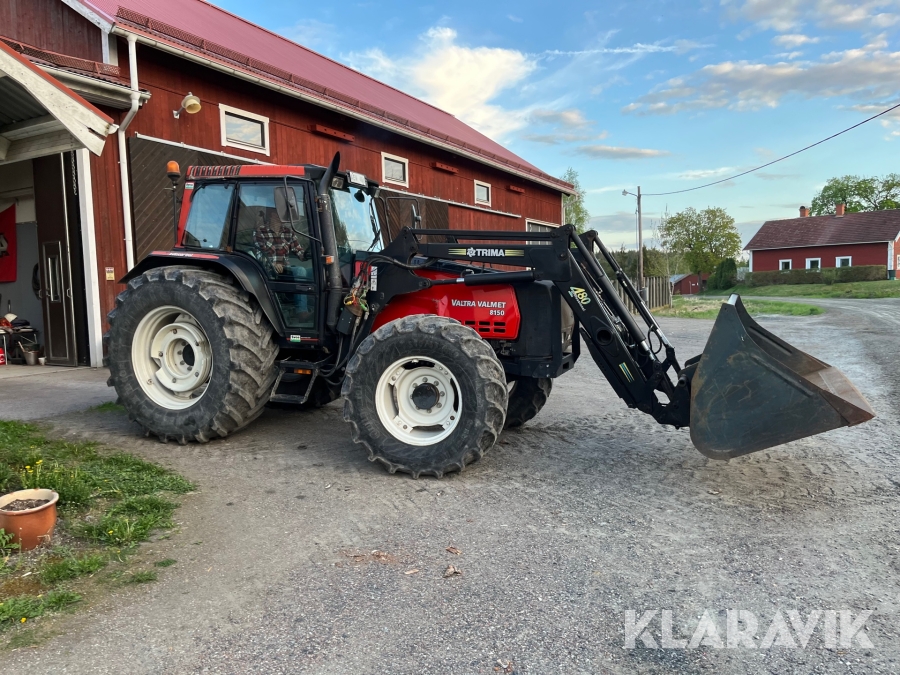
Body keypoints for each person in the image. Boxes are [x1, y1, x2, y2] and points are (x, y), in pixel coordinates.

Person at [252, 209, 306, 277]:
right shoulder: (260, 232)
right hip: (268, 273)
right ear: (272, 214)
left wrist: (308, 255)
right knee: (301, 271)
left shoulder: (288, 232)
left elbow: (298, 250)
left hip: (286, 271)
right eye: (280, 213)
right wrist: (273, 264)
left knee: (309, 272)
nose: (283, 216)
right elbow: (259, 255)